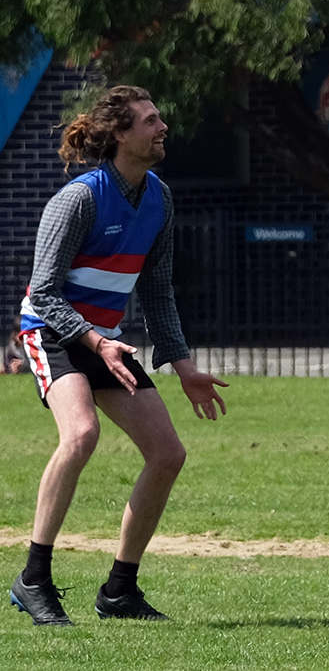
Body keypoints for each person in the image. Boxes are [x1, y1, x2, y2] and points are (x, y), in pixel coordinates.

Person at [11, 86, 230, 626]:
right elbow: (44, 293)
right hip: (53, 334)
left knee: (168, 453)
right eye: (150, 121)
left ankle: (119, 590)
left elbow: (156, 291)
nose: (162, 128)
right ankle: (33, 579)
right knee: (81, 434)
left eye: (160, 119)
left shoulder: (159, 198)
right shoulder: (80, 199)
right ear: (119, 134)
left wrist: (185, 368)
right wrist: (94, 340)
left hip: (105, 340)